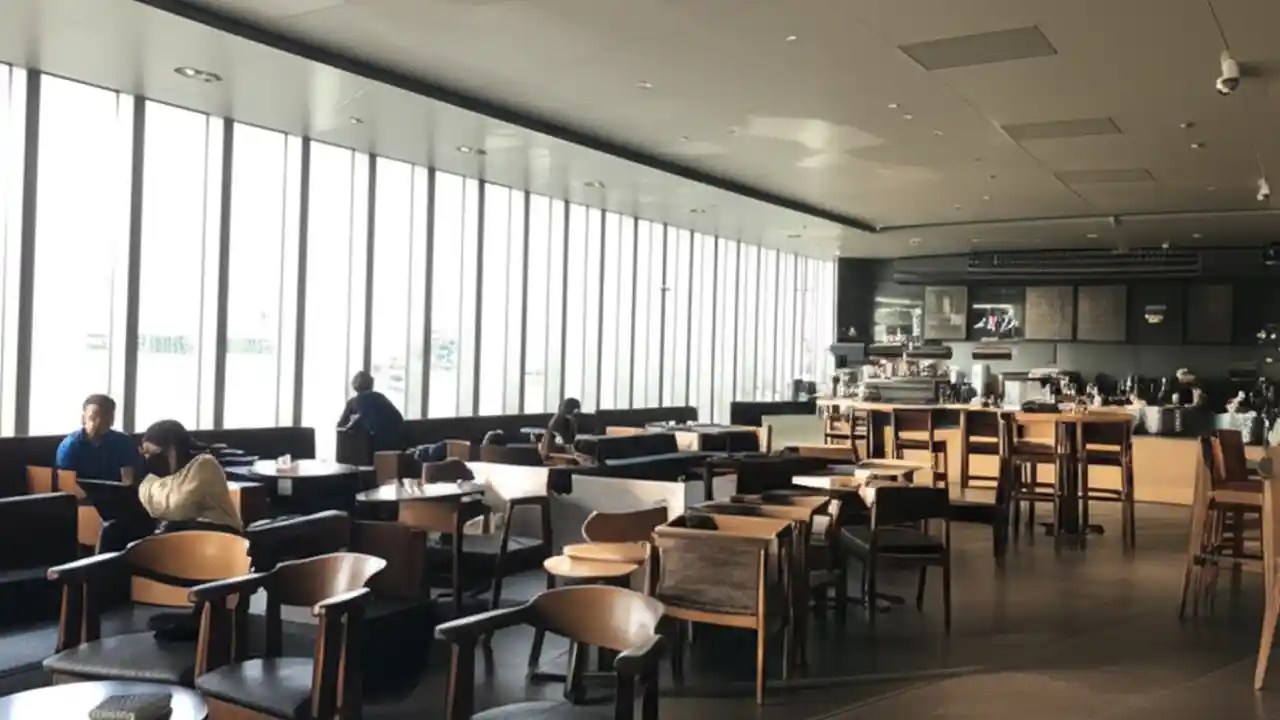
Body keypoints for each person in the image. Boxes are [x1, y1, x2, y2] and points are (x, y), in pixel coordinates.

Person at [137, 419, 243, 533]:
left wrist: (148, 487)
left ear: (174, 449)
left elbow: (178, 507)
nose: (150, 459)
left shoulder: (204, 465)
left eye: (156, 453)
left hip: (218, 537)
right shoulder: (165, 475)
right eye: (146, 454)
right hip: (185, 538)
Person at [55, 394, 144, 482]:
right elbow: (66, 483)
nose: (98, 423)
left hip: (116, 494)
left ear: (112, 420)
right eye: (93, 418)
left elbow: (127, 480)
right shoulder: (70, 446)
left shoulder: (123, 442)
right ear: (83, 418)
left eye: (106, 419)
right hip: (80, 494)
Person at [338, 370, 405, 454]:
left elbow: (344, 424)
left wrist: (348, 429)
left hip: (380, 443)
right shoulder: (380, 397)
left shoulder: (357, 401)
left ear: (354, 386)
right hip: (399, 438)